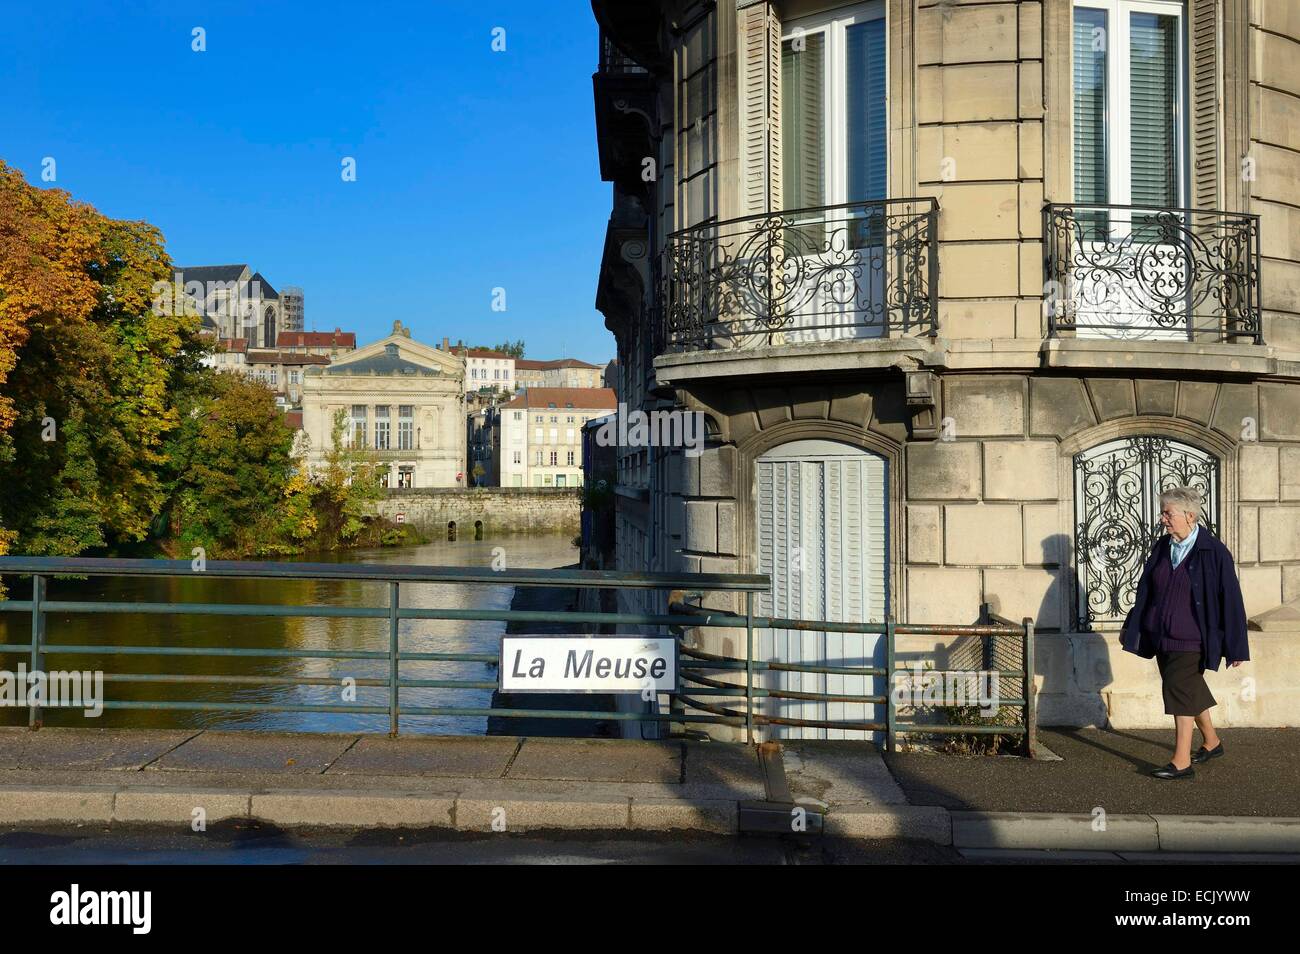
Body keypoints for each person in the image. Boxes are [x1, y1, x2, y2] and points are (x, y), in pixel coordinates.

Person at [1120, 486, 1249, 780]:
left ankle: (1181, 761)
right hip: (1161, 634)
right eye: (1163, 512)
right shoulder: (1163, 546)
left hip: (1193, 639)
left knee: (1178, 691)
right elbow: (1146, 590)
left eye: (1168, 513)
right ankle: (1212, 742)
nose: (1163, 518)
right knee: (1188, 689)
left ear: (1190, 516)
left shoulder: (1213, 551)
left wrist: (1236, 646)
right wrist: (1131, 625)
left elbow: (1230, 599)